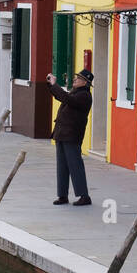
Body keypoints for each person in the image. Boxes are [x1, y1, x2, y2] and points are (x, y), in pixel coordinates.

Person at [47, 68, 93, 206]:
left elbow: (66, 98)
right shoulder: (76, 92)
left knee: (75, 166)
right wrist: (51, 85)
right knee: (62, 166)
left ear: (85, 83)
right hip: (62, 134)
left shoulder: (84, 96)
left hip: (71, 135)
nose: (75, 79)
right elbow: (62, 96)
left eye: (78, 78)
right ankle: (62, 195)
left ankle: (84, 196)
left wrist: (54, 85)